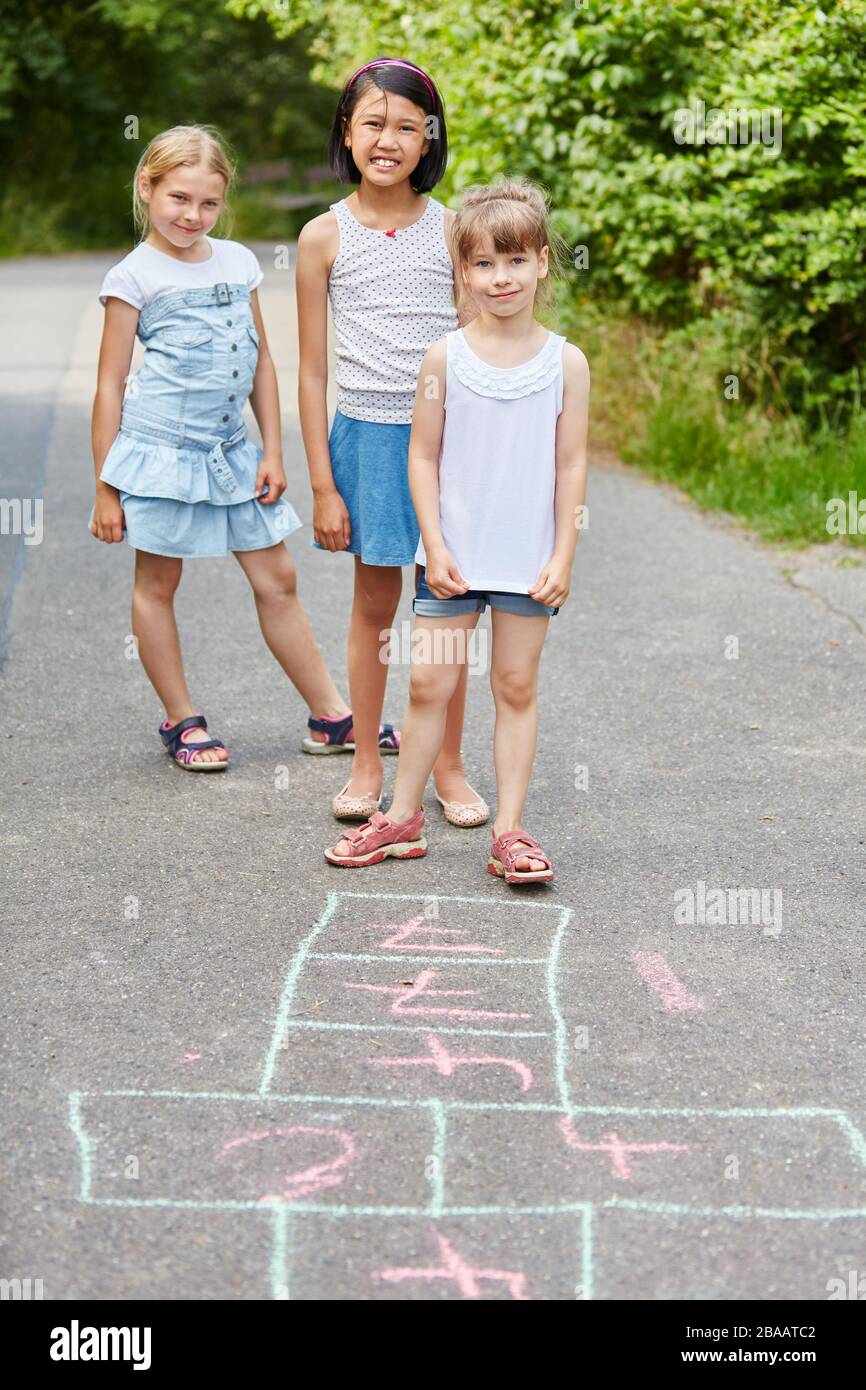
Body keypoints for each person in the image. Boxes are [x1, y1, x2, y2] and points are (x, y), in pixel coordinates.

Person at [325, 178, 590, 884]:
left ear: (541, 262)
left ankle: (509, 832)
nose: (499, 278)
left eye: (515, 261)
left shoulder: (566, 363)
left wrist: (564, 553)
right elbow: (422, 455)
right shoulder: (445, 358)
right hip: (452, 554)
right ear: (462, 272)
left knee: (514, 685)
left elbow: (571, 465)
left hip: (528, 558)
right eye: (482, 264)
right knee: (428, 686)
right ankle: (402, 818)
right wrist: (434, 545)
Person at [91, 124, 350, 770]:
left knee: (278, 576)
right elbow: (108, 384)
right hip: (160, 450)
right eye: (178, 198)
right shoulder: (134, 276)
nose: (192, 215)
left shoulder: (236, 260)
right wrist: (106, 485)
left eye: (208, 203)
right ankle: (183, 720)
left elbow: (260, 362)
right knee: (159, 579)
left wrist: (273, 451)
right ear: (147, 188)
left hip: (233, 451)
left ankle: (332, 715)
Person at [296, 57, 490, 825]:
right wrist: (321, 483)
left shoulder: (452, 230)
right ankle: (370, 761)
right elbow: (312, 372)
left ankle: (447, 762)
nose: (389, 139)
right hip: (368, 444)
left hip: (447, 445)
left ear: (427, 141)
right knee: (376, 605)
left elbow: (479, 346)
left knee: (447, 605)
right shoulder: (321, 236)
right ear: (348, 133)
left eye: (407, 127)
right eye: (373, 123)